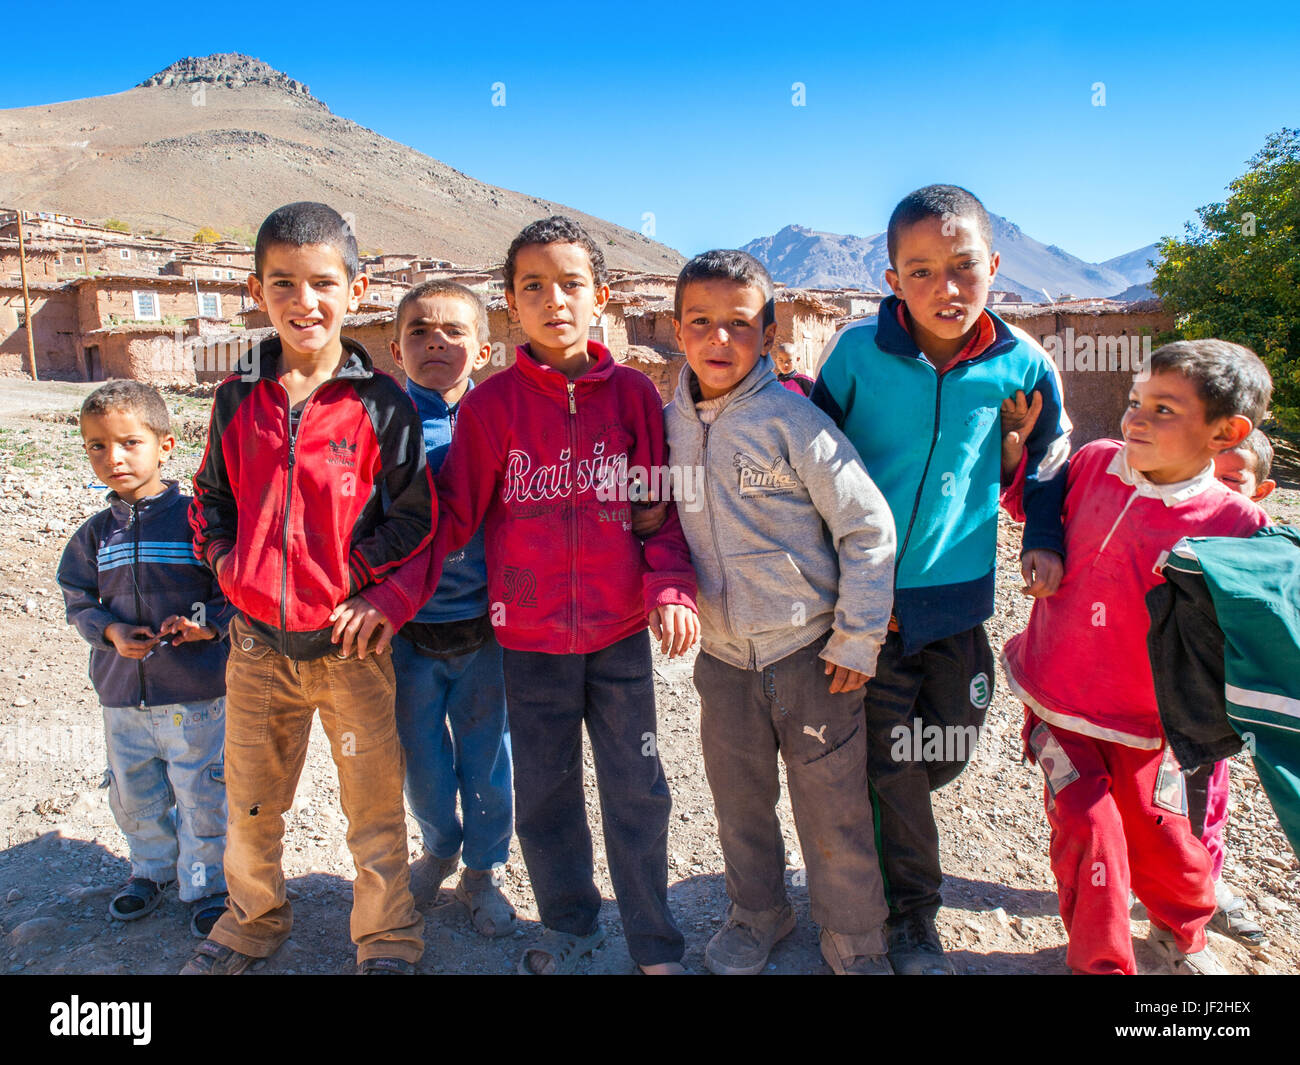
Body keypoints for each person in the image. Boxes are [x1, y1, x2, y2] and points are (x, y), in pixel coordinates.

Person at [356, 216, 700, 975]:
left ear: (602, 296)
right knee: (546, 795)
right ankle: (573, 925)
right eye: (534, 287)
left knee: (636, 789)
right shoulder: (492, 409)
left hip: (618, 635)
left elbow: (658, 515)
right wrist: (388, 597)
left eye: (571, 284)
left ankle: (653, 941)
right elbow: (447, 525)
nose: (555, 300)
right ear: (513, 306)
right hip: (529, 643)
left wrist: (671, 586)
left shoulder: (637, 398)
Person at [810, 184, 1071, 974]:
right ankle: (911, 915)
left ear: (994, 265)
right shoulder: (857, 352)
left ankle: (892, 828)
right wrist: (843, 590)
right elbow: (813, 459)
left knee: (949, 745)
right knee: (896, 766)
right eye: (920, 271)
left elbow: (1052, 457)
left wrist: (1047, 536)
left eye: (963, 268)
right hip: (870, 600)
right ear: (892, 278)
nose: (945, 289)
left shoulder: (1021, 361)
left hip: (959, 602)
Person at [183, 201, 436, 975]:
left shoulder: (382, 403)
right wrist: (231, 567)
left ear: (355, 290)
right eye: (283, 282)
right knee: (252, 803)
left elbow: (416, 517)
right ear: (258, 290)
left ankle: (386, 938)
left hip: (349, 651)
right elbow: (209, 502)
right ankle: (252, 920)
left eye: (323, 282)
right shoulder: (236, 397)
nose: (305, 301)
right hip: (257, 648)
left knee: (371, 807)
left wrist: (357, 585)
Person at [1002, 339, 1272, 975]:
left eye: (1164, 410)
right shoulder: (1094, 464)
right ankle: (1102, 965)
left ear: (1224, 432)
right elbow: (1028, 505)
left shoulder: (1236, 526)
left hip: (1153, 725)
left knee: (1164, 838)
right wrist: (1016, 447)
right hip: (1058, 701)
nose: (1135, 421)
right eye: (1133, 402)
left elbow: (1256, 631)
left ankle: (1182, 937)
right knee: (1088, 830)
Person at [666, 250, 897, 974]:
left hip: (812, 656)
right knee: (739, 802)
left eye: (739, 324)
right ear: (676, 331)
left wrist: (857, 639)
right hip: (723, 660)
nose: (719, 340)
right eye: (701, 322)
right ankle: (758, 911)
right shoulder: (666, 420)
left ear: (768, 334)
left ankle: (856, 937)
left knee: (833, 807)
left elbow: (867, 528)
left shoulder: (794, 421)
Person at [57, 381, 232, 938]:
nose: (114, 458)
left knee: (203, 791)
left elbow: (234, 590)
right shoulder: (93, 535)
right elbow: (77, 597)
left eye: (130, 442)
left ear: (167, 444)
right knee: (134, 789)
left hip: (195, 693)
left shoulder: (197, 521)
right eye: (97, 446)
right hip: (121, 696)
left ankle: (206, 883)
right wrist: (107, 630)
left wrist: (205, 624)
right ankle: (151, 870)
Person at [386, 279, 516, 935]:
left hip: (487, 638)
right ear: (394, 348)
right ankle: (439, 843)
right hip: (407, 636)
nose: (436, 341)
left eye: (454, 331)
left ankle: (483, 871)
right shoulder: (379, 426)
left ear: (487, 349)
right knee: (423, 763)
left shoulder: (500, 421)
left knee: (487, 762)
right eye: (419, 331)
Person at [1181, 428, 1278, 952]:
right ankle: (1146, 880)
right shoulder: (1177, 527)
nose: (1216, 488)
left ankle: (1203, 888)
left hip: (1215, 702)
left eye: (1232, 480)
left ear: (1260, 490)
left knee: (1206, 793)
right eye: (1207, 475)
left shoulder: (1264, 552)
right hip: (1149, 692)